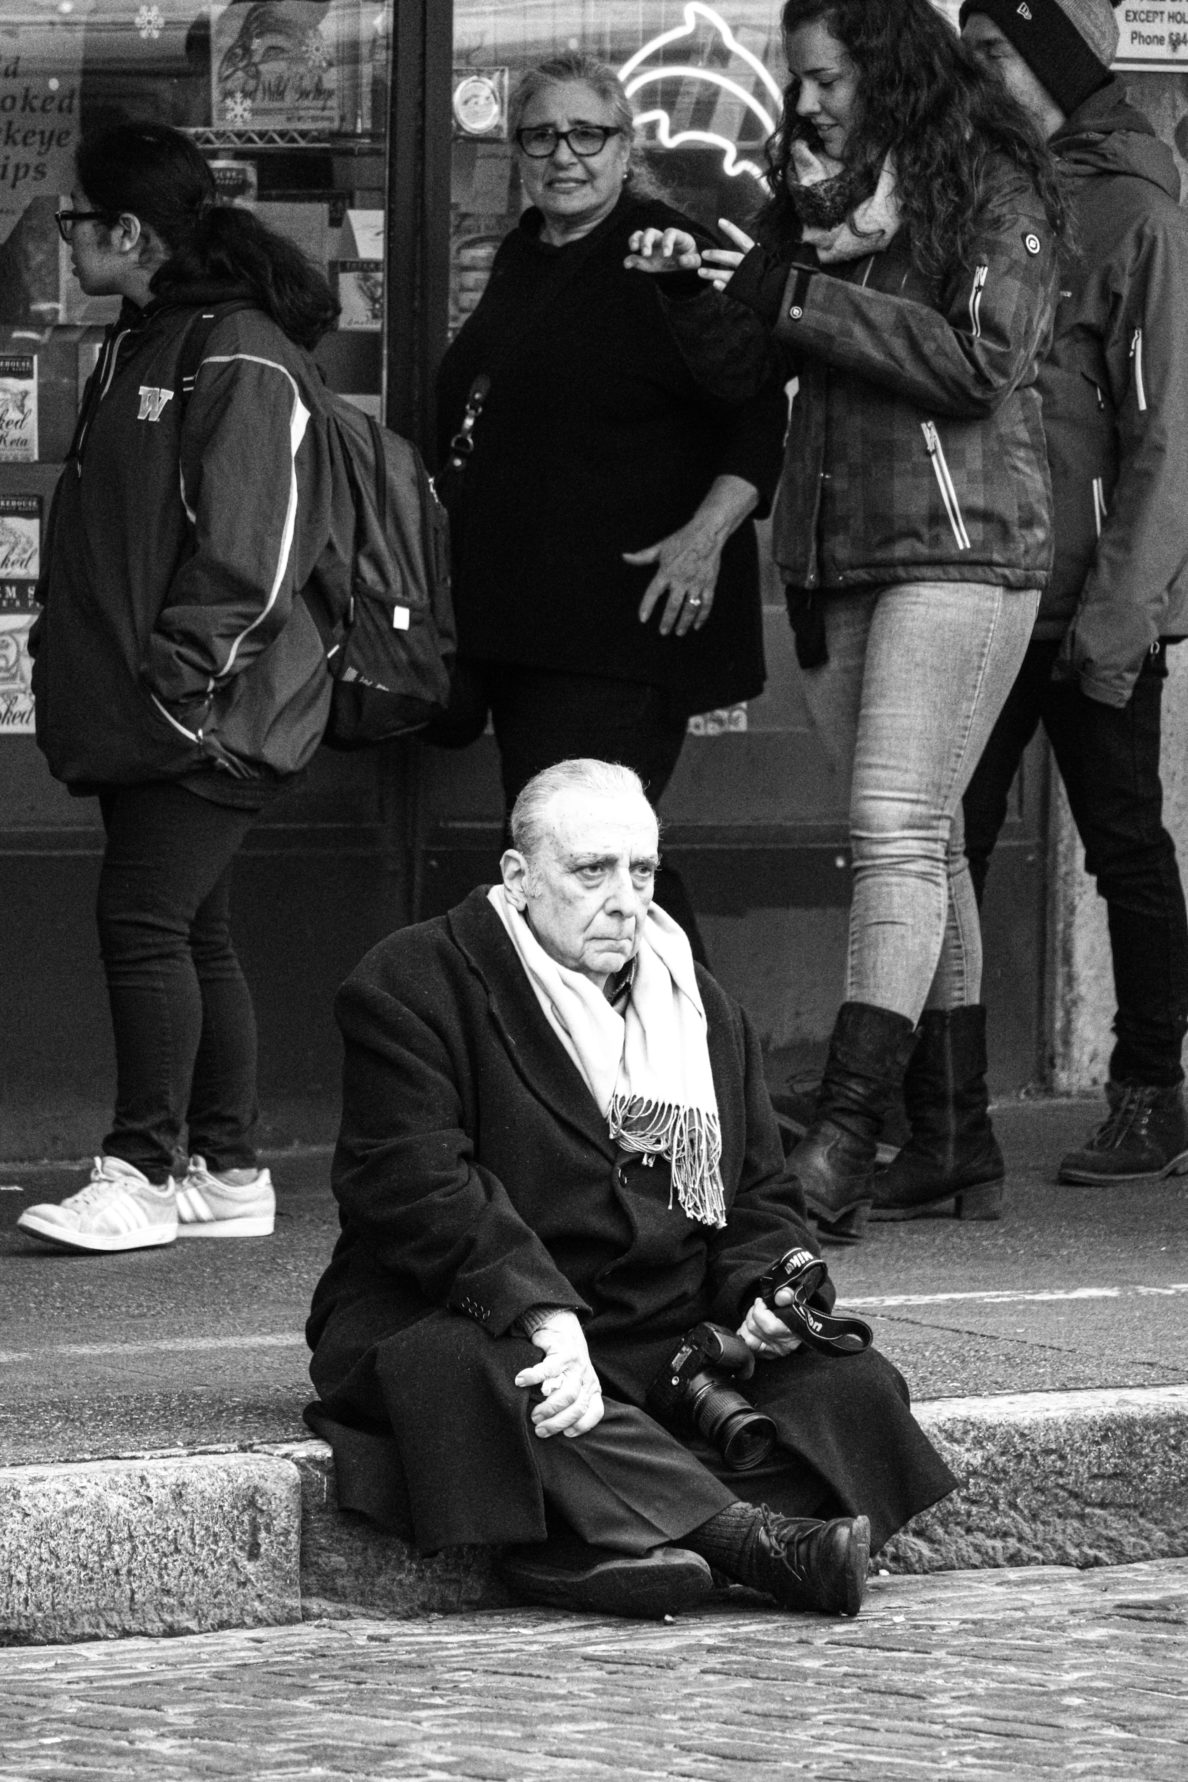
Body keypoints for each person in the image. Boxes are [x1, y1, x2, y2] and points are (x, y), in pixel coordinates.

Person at [304, 759, 956, 1619]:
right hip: (473, 1313)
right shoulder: (414, 981)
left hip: (663, 1334)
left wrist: (774, 1291)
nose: (625, 899)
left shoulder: (699, 1005)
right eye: (591, 871)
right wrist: (545, 1314)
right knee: (509, 1381)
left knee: (851, 1385)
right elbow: (415, 1185)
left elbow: (756, 1193)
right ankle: (748, 1545)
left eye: (641, 871)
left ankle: (591, 1548)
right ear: (519, 877)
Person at [626, 0, 1064, 1241]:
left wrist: (795, 295)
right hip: (836, 555)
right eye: (792, 81)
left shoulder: (993, 176)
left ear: (888, 72)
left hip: (959, 547)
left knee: (892, 833)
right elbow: (740, 370)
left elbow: (987, 357)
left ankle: (848, 1134)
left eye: (822, 81)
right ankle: (955, 1139)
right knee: (921, 845)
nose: (803, 105)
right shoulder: (812, 199)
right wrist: (686, 290)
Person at [18, 122, 345, 1255]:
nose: (64, 239)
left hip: (207, 715)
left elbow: (254, 549)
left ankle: (143, 1168)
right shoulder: (146, 338)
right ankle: (230, 1167)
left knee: (144, 918)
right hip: (157, 709)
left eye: (75, 221)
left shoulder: (240, 350)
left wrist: (177, 688)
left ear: (127, 231)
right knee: (193, 928)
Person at [431, 53, 786, 960]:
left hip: (619, 626)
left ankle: (695, 1070)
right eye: (542, 135)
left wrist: (704, 541)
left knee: (597, 862)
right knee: (572, 866)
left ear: (627, 148)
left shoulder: (666, 248)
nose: (564, 155)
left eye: (588, 134)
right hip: (522, 622)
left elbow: (754, 415)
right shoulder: (526, 252)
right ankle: (619, 1077)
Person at [951, 0, 1188, 1194]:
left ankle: (1151, 1091)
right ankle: (934, 1109)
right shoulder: (986, 190)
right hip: (983, 579)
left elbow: (1167, 438)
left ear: (1047, 65)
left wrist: (1119, 612)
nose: (973, 72)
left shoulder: (1134, 210)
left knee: (1125, 846)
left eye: (993, 53)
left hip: (1091, 597)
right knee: (945, 842)